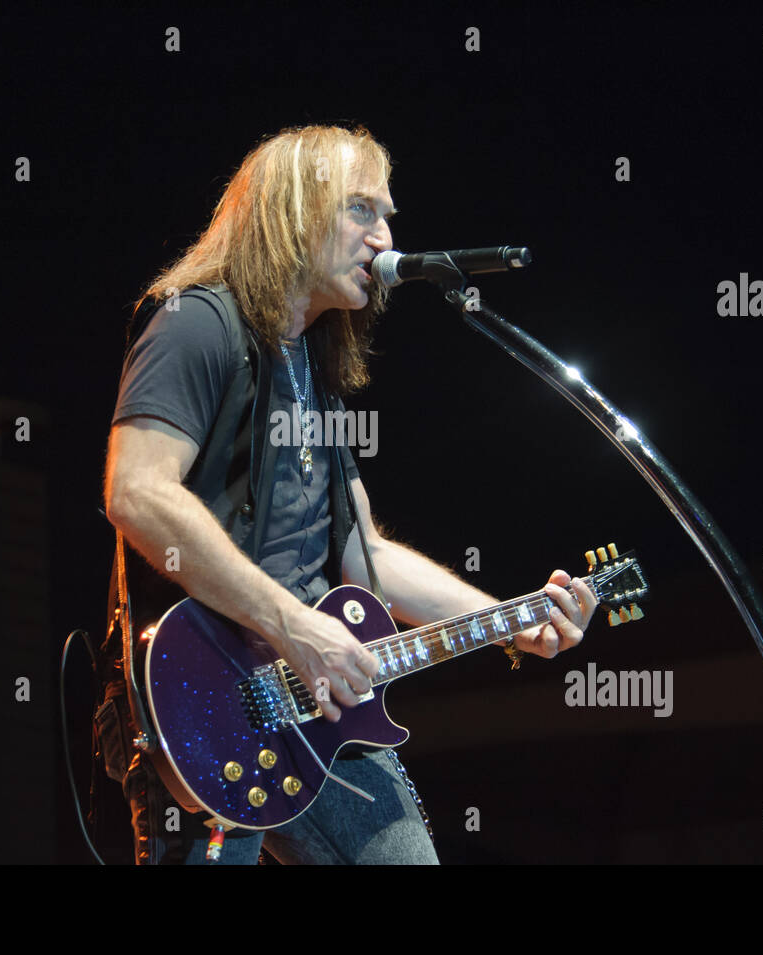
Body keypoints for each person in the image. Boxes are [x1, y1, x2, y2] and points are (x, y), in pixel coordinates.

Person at [100, 124, 595, 864]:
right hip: (199, 705)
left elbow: (366, 560)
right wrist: (297, 625)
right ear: (295, 213)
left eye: (388, 214)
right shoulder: (196, 323)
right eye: (363, 209)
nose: (386, 235)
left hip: (319, 703)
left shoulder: (317, 370)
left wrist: (507, 621)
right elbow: (135, 491)